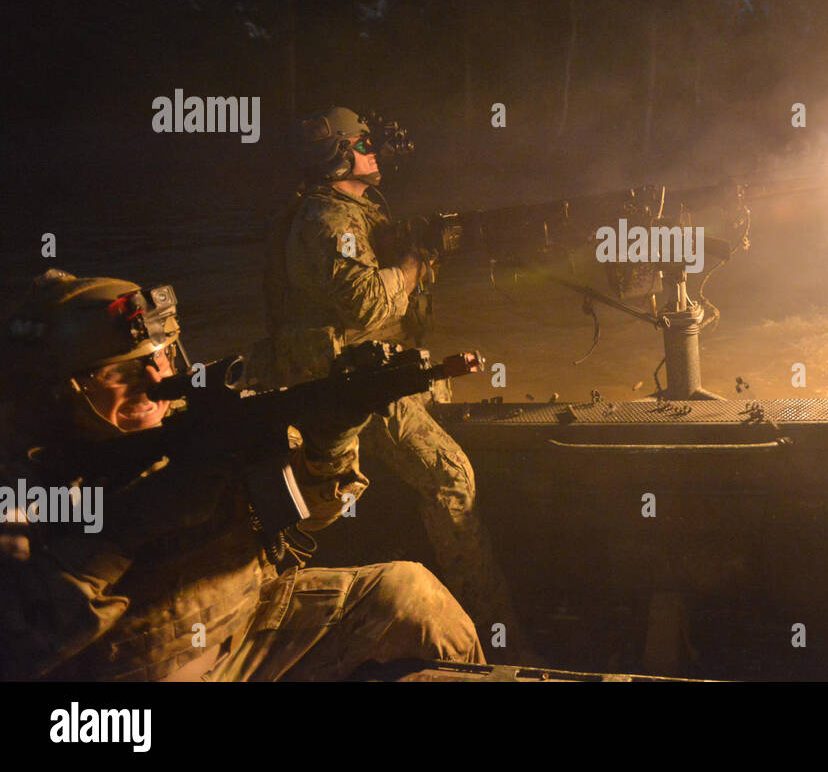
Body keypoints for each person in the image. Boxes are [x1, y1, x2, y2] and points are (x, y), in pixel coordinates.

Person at [0, 269, 484, 680]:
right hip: (135, 668)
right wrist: (125, 530)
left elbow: (310, 516)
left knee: (411, 597)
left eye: (161, 356)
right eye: (120, 371)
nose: (155, 383)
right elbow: (19, 647)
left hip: (249, 625)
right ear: (62, 391)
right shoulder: (22, 482)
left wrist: (331, 441)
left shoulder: (196, 424)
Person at [261, 106, 526, 657]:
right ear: (336, 154)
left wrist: (428, 245)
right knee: (452, 476)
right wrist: (409, 263)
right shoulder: (326, 219)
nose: (372, 150)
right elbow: (365, 299)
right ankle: (493, 637)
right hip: (346, 378)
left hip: (369, 365)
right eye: (361, 143)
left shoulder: (351, 208)